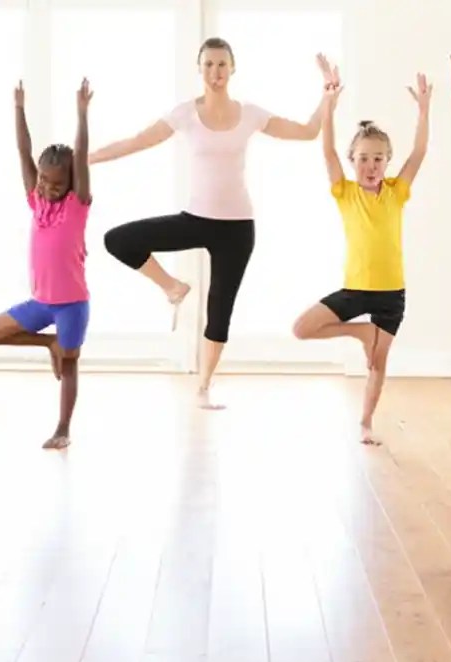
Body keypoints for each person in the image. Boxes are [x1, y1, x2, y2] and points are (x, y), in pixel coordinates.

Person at [91, 38, 338, 409]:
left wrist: (327, 95)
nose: (215, 72)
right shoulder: (184, 114)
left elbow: (306, 131)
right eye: (208, 65)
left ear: (233, 68)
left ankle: (204, 387)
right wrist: (88, 158)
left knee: (219, 308)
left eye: (222, 65)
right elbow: (138, 141)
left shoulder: (251, 113)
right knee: (119, 240)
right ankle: (173, 287)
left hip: (237, 227)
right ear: (199, 68)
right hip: (195, 219)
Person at [292, 60, 431, 445]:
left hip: (390, 293)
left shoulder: (396, 192)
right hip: (355, 289)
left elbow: (418, 153)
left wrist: (423, 111)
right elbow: (327, 151)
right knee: (301, 329)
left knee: (377, 364)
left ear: (387, 161)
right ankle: (359, 332)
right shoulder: (346, 193)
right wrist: (328, 105)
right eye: (363, 158)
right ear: (353, 161)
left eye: (378, 158)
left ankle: (366, 423)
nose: (371, 165)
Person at [0, 78, 93, 450]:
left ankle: (63, 428)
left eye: (55, 183)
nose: (46, 187)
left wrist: (81, 113)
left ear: (72, 182)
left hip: (72, 303)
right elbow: (23, 151)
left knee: (71, 365)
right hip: (42, 302)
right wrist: (18, 110)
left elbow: (81, 150)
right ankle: (50, 343)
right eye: (43, 180)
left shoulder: (77, 205)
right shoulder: (36, 201)